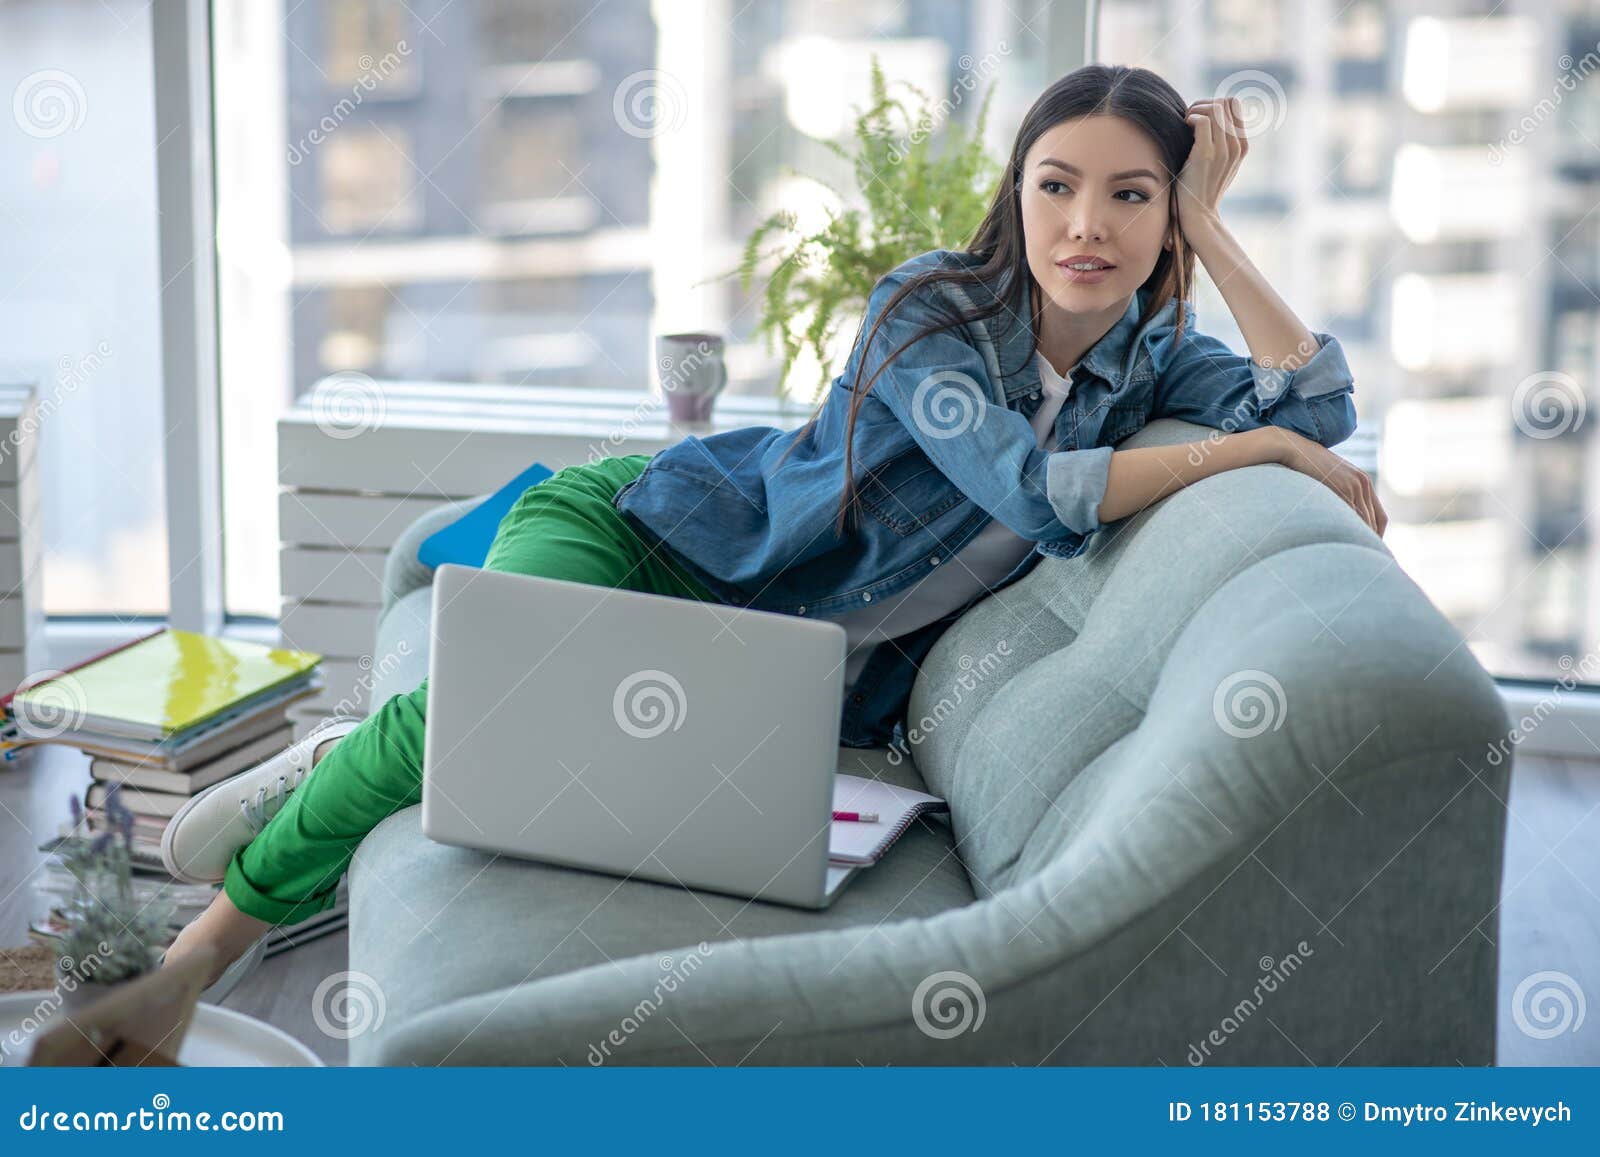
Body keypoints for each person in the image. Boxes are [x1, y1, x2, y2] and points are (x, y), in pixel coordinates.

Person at [160, 63, 1384, 991]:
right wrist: (1265, 445)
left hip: (777, 677)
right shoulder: (928, 309)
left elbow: (1318, 398)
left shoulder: (1149, 359)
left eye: (1133, 197)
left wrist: (1215, 230)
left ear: (1166, 218)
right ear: (1013, 193)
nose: (1085, 227)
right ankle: (201, 954)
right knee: (495, 700)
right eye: (1054, 186)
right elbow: (1029, 492)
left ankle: (337, 761)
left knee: (533, 754)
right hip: (656, 541)